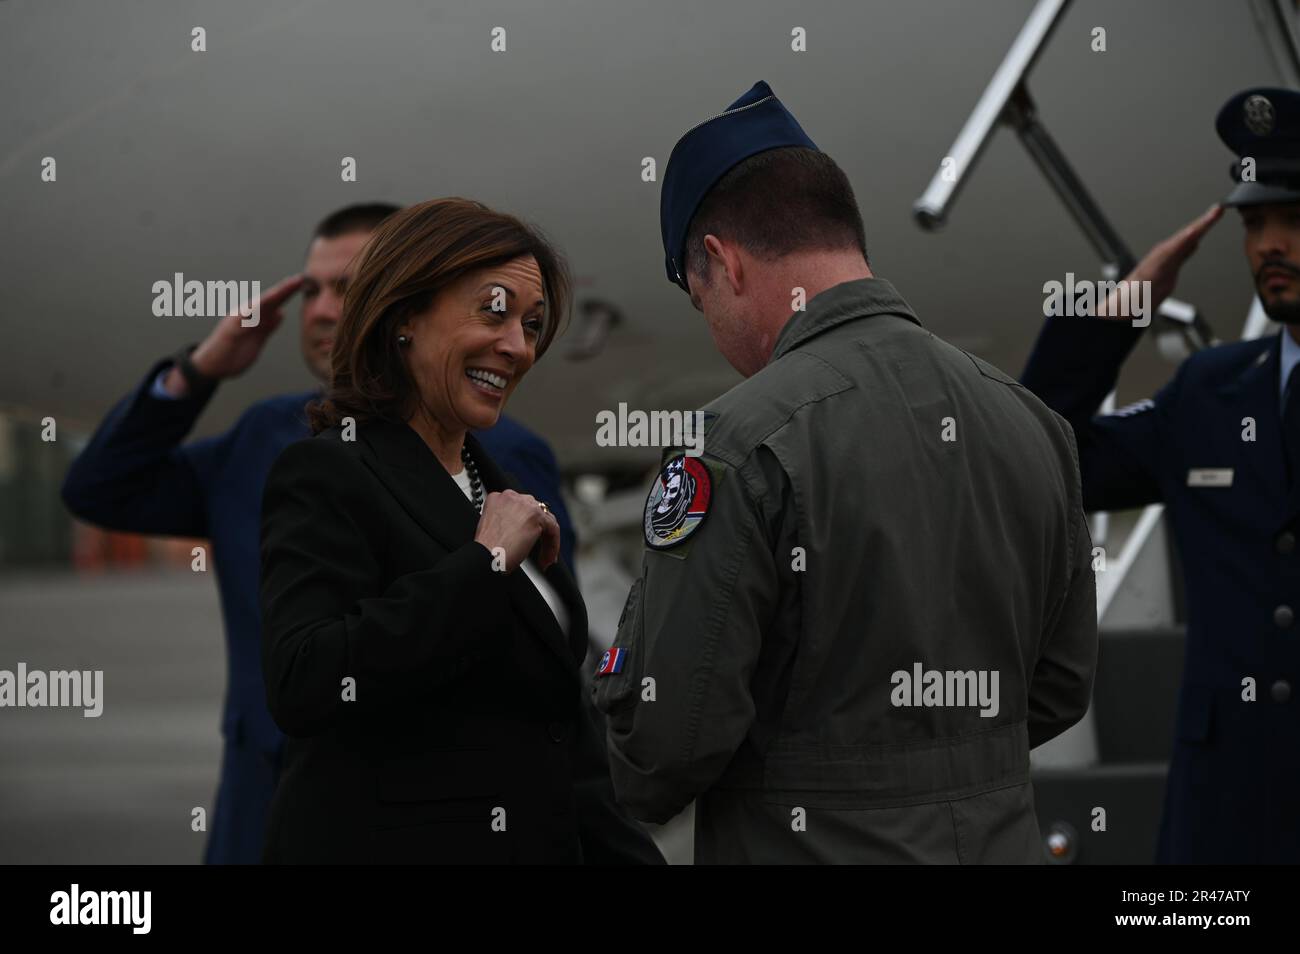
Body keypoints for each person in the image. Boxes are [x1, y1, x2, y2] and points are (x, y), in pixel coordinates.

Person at [593, 81, 1097, 863]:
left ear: (722, 263)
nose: (717, 334)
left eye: (700, 301)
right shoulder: (1033, 423)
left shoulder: (735, 442)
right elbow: (1060, 685)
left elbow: (665, 744)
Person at [59, 203, 577, 864]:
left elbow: (547, 674)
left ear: (395, 301)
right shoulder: (267, 438)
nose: (327, 309)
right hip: (268, 804)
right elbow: (98, 487)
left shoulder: (504, 455)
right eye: (312, 290)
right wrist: (198, 372)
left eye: (350, 286)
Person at [259, 197, 663, 864]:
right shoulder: (327, 472)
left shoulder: (500, 488)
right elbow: (307, 680)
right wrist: (486, 564)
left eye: (532, 325)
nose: (517, 346)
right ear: (405, 317)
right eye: (494, 311)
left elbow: (562, 739)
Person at [1020, 87, 1300, 864]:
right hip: (1223, 819)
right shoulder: (1212, 390)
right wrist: (1121, 310)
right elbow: (1049, 460)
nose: (1269, 244)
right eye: (1253, 224)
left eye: (1292, 220)